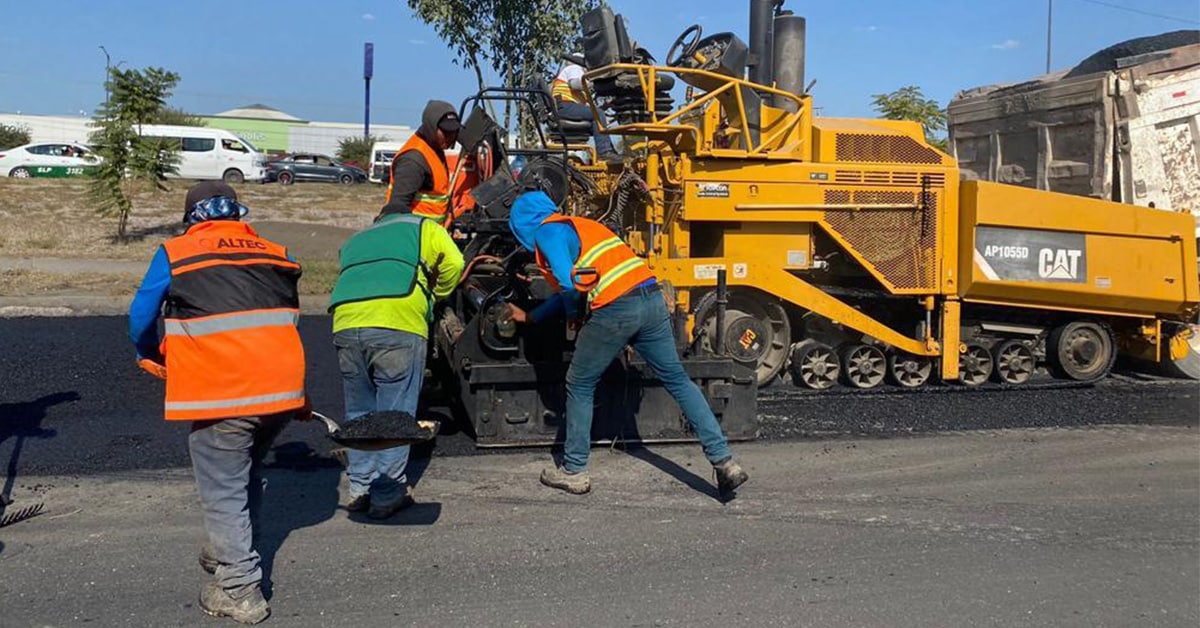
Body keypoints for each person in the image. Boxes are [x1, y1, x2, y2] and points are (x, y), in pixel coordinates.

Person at [129, 181, 308, 625]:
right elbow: (281, 322)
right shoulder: (276, 254)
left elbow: (140, 315)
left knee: (223, 487)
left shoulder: (177, 252)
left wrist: (149, 354)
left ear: (191, 218)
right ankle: (222, 548)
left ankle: (239, 589)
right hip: (282, 391)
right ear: (236, 214)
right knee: (243, 472)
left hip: (226, 389)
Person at [504, 190, 749, 497]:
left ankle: (574, 470)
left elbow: (568, 283)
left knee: (580, 383)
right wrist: (532, 317)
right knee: (677, 379)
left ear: (523, 223)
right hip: (651, 300)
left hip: (616, 310)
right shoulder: (585, 226)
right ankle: (725, 462)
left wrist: (573, 313)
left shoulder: (547, 231)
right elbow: (582, 280)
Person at [328, 202, 465, 519]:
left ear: (379, 219)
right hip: (397, 321)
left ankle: (359, 488)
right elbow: (455, 262)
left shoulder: (357, 238)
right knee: (395, 415)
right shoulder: (423, 226)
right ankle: (387, 494)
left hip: (345, 323)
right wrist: (435, 294)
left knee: (359, 413)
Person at [381, 100, 460, 225]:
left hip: (432, 232)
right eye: (445, 132)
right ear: (431, 127)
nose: (450, 137)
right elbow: (396, 209)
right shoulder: (413, 160)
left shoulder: (435, 148)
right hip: (415, 233)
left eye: (454, 131)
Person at [551, 60, 619, 162]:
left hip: (567, 106)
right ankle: (604, 152)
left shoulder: (578, 90)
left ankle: (610, 152)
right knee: (597, 114)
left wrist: (605, 106)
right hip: (565, 106)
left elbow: (589, 110)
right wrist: (595, 84)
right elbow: (574, 84)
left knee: (598, 115)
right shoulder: (574, 68)